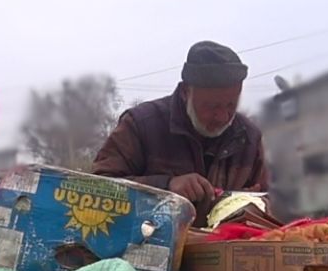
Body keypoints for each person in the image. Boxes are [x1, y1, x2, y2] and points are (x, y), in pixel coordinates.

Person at [93, 41, 269, 220]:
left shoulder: (249, 138)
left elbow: (272, 207)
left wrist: (256, 203)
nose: (223, 117)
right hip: (152, 244)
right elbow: (97, 189)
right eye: (211, 106)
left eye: (231, 104)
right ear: (186, 92)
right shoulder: (141, 125)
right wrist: (166, 187)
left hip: (224, 246)